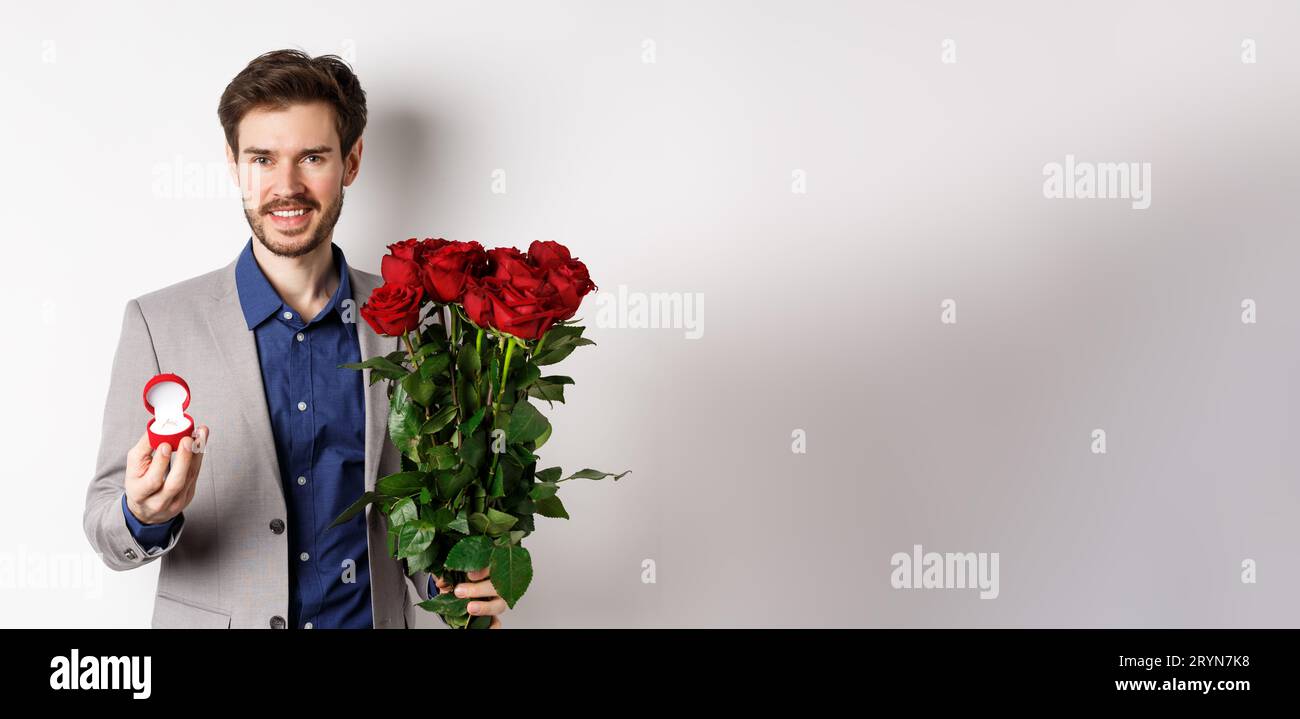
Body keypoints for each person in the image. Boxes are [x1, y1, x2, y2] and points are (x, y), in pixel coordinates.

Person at [82, 49, 507, 629]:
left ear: (351, 161)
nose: (286, 187)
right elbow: (105, 530)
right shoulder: (158, 323)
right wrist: (141, 514)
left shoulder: (417, 323)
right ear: (233, 164)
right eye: (262, 158)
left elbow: (421, 513)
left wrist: (454, 578)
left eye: (312, 157)